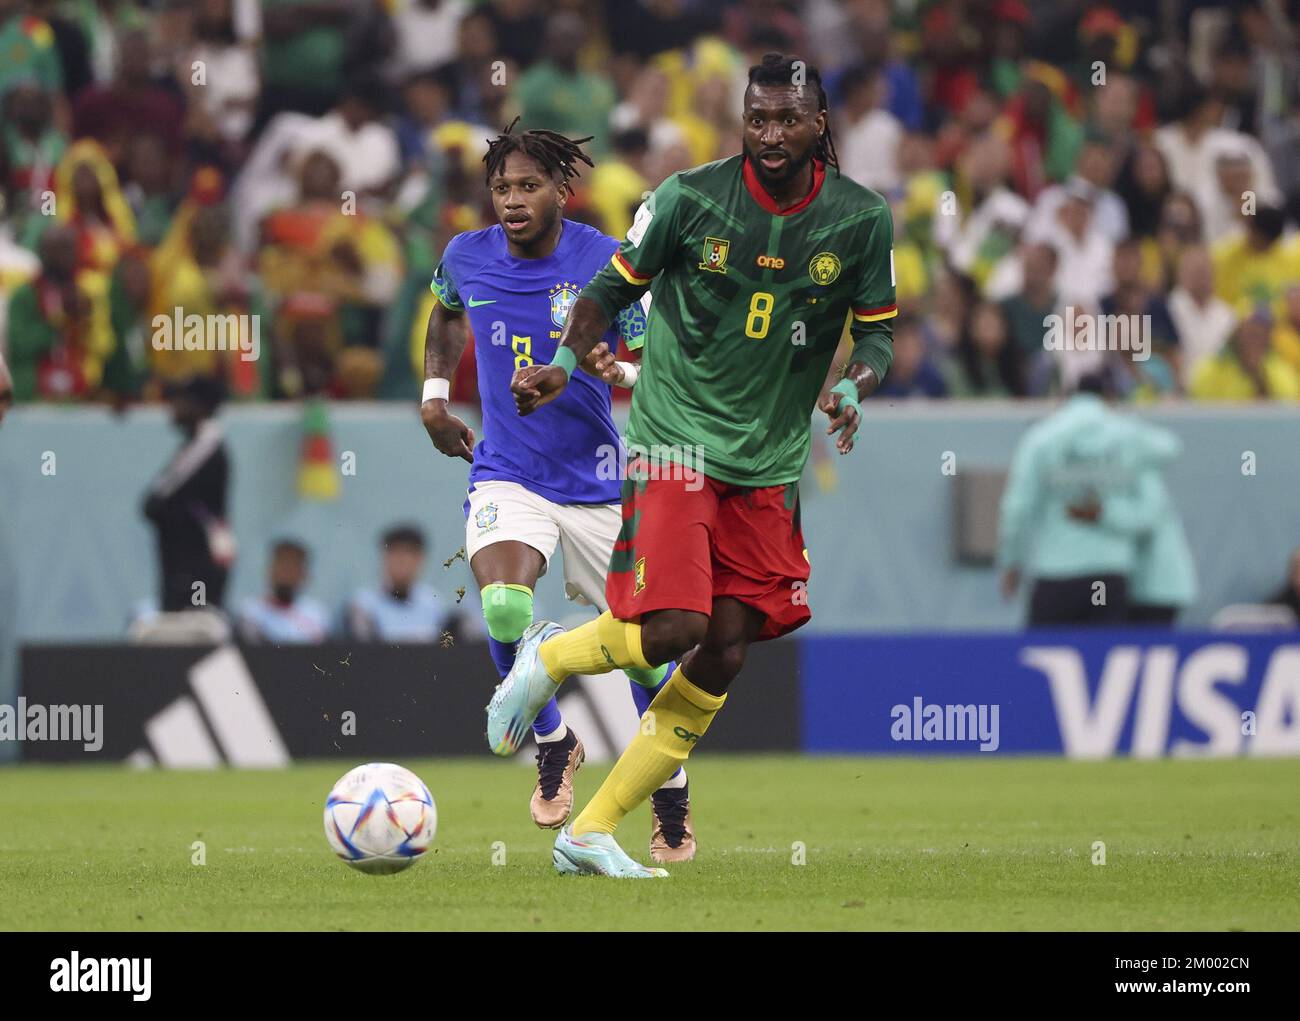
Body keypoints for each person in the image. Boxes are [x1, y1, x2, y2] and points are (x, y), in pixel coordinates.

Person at [495, 53, 896, 878]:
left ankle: (593, 828)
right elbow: (608, 290)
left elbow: (880, 330)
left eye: (788, 119)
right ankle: (549, 658)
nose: (771, 134)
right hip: (675, 436)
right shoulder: (687, 198)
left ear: (820, 123)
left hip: (770, 460)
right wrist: (566, 369)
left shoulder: (861, 219)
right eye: (758, 119)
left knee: (728, 647)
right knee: (673, 628)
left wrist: (857, 383)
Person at [420, 121, 690, 855]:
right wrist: (434, 397)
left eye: (528, 185)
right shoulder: (464, 256)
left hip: (600, 483)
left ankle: (670, 795)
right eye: (502, 187)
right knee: (506, 609)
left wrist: (619, 371)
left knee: (642, 651)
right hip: (509, 471)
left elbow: (662, 356)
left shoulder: (605, 261)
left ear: (563, 192)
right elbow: (445, 312)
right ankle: (555, 740)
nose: (511, 198)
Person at [997, 374, 1147, 626]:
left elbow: (1018, 507)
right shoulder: (1128, 437)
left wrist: (1012, 561)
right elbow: (1147, 509)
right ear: (1109, 399)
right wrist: (1104, 512)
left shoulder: (1043, 437)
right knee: (1106, 660)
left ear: (1066, 399)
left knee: (1046, 657)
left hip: (1057, 573)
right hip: (1108, 575)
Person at [142, 376, 234, 612]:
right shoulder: (193, 445)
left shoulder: (206, 446)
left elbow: (156, 501)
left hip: (198, 562)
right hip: (182, 561)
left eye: (181, 400)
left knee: (195, 629)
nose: (174, 407)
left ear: (201, 406)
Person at [346, 525, 459, 642]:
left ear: (420, 559)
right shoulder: (364, 604)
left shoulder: (434, 604)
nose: (402, 560)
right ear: (384, 557)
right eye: (395, 552)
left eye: (408, 553)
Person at [237, 539, 329, 643]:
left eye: (293, 567)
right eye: (282, 565)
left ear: (305, 575)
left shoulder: (317, 615)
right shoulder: (251, 611)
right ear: (270, 571)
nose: (286, 573)